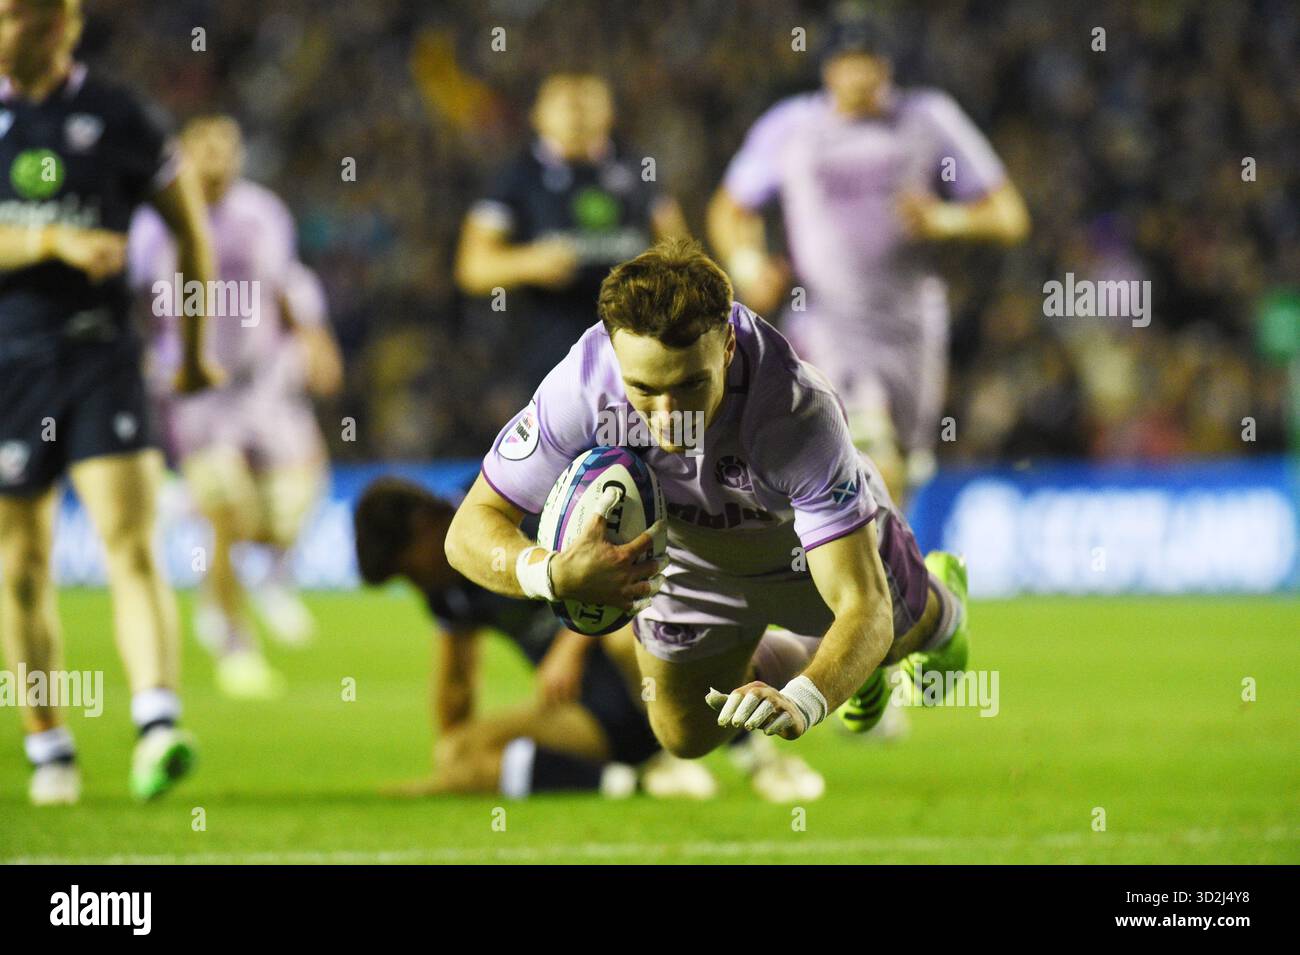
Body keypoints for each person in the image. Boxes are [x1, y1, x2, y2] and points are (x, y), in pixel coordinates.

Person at [444, 238, 972, 758]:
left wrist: (806, 700)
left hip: (802, 557)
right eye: (645, 390)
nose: (670, 415)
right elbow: (470, 529)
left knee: (892, 635)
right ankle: (836, 665)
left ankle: (942, 612)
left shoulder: (793, 409)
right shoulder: (582, 386)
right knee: (685, 735)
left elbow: (864, 605)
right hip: (690, 563)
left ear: (727, 347)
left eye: (691, 385)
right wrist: (551, 574)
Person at [0, 0, 218, 803]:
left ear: (73, 24)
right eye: (20, 13)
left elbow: (191, 234)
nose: (36, 26)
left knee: (131, 537)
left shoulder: (119, 114)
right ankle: (49, 745)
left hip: (100, 354)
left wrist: (194, 354)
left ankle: (158, 721)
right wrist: (47, 241)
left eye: (50, 13)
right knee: (20, 561)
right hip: (8, 364)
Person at [708, 16, 1028, 501]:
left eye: (869, 64)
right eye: (847, 65)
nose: (859, 77)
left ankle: (887, 564)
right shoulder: (792, 126)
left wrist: (946, 220)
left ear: (888, 68)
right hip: (826, 321)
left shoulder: (928, 118)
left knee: (907, 466)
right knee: (863, 447)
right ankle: (859, 568)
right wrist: (748, 264)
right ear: (827, 70)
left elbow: (1009, 216)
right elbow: (731, 208)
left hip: (910, 323)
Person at [355, 475, 824, 802]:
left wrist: (568, 644)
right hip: (585, 712)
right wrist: (457, 761)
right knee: (456, 750)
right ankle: (635, 780)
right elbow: (455, 689)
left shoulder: (506, 511)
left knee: (626, 637)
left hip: (644, 671)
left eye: (406, 569)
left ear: (423, 526)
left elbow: (623, 570)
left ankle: (758, 758)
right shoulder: (447, 589)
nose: (413, 584)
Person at [128, 116, 343, 699]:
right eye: (202, 147)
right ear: (182, 153)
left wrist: (316, 341)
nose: (215, 158)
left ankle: (265, 572)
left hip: (263, 382)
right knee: (225, 516)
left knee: (286, 507)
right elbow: (136, 298)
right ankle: (235, 645)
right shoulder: (153, 219)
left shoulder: (263, 212)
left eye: (225, 147)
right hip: (195, 390)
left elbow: (287, 282)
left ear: (239, 154)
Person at [454, 72, 689, 393]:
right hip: (550, 361)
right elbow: (473, 267)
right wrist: (528, 262)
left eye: (588, 101)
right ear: (537, 115)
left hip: (635, 357)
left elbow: (681, 254)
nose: (577, 113)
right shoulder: (516, 176)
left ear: (610, 111)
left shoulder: (639, 168)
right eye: (565, 103)